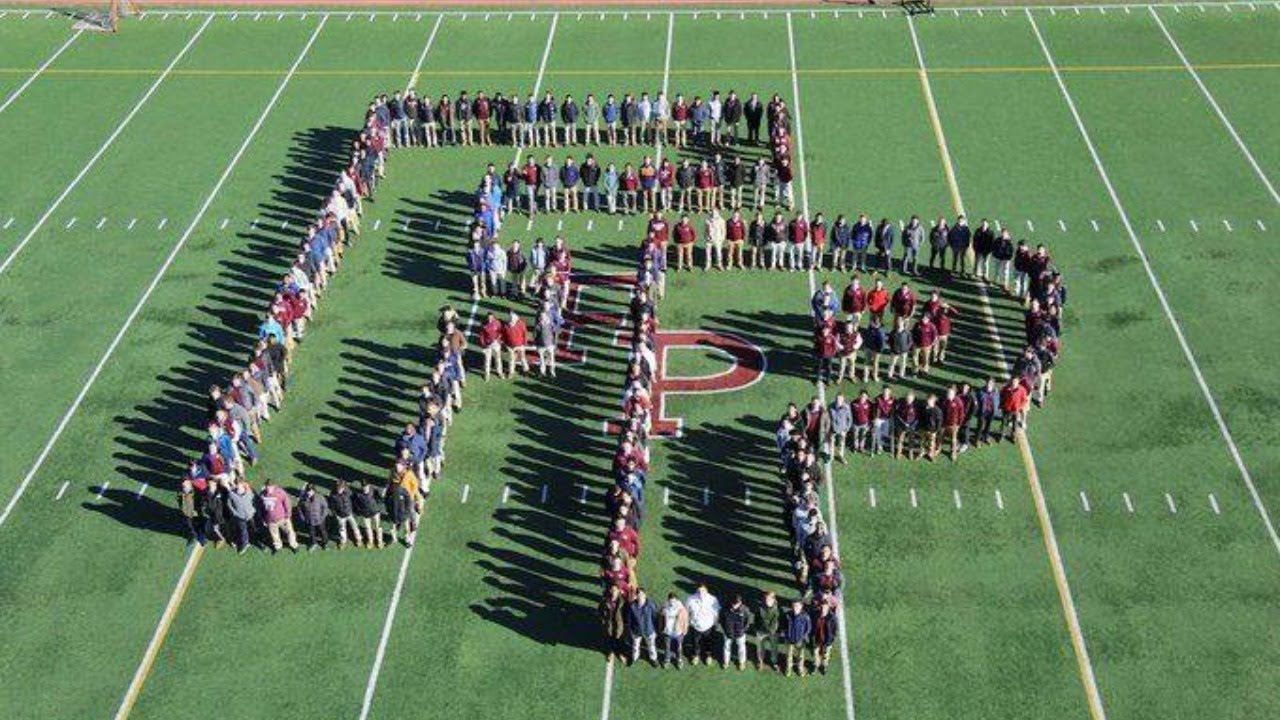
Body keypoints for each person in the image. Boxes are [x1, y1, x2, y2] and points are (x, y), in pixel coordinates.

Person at [260, 478, 299, 553]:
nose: (268, 489)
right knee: (274, 535)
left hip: (283, 518)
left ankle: (294, 545)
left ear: (274, 486)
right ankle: (278, 546)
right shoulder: (263, 494)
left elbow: (287, 504)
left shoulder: (280, 493)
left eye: (270, 487)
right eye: (267, 487)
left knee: (290, 532)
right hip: (270, 520)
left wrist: (288, 515)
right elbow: (261, 507)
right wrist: (264, 518)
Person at [686, 584, 721, 665]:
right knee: (695, 642)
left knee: (708, 642)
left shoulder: (713, 599)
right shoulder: (690, 599)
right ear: (697, 591)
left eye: (703, 591)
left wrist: (715, 623)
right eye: (699, 591)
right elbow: (687, 611)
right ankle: (696, 655)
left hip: (709, 626)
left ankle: (709, 655)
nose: (701, 593)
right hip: (695, 626)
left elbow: (716, 613)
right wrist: (689, 622)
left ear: (706, 591)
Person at [626, 588, 660, 666]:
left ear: (645, 595)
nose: (640, 596)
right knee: (635, 646)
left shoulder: (651, 604)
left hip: (649, 630)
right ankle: (634, 658)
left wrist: (655, 630)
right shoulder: (632, 606)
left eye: (641, 594)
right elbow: (630, 620)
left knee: (651, 646)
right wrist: (631, 630)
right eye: (638, 594)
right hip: (637, 631)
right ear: (636, 596)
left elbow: (655, 617)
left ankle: (653, 659)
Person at [783, 598, 812, 676]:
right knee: (789, 655)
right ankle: (788, 668)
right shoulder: (787, 615)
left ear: (801, 606)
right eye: (793, 606)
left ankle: (800, 668)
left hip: (800, 640)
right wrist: (786, 635)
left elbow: (808, 628)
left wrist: (803, 636)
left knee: (800, 656)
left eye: (797, 606)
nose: (795, 608)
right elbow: (784, 626)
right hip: (789, 640)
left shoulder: (805, 617)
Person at [329, 479, 362, 548]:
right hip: (340, 515)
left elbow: (354, 501)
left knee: (355, 527)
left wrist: (355, 510)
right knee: (342, 529)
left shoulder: (349, 492)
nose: (339, 490)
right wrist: (335, 514)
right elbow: (331, 505)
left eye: (341, 488)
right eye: (338, 488)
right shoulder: (333, 494)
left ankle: (359, 539)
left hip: (350, 513)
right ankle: (343, 541)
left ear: (343, 488)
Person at [721, 594, 751, 670]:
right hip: (728, 633)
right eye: (733, 604)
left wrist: (743, 630)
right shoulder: (725, 608)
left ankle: (742, 662)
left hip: (740, 633)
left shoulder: (745, 609)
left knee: (741, 648)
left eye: (736, 604)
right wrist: (725, 630)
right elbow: (721, 620)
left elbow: (748, 621)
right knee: (726, 647)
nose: (734, 606)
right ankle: (726, 662)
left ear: (740, 602)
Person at [227, 479, 256, 554]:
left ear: (244, 487)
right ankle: (245, 544)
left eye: (241, 488)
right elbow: (229, 504)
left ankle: (256, 540)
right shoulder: (231, 494)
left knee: (253, 528)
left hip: (251, 515)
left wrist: (253, 509)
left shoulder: (249, 493)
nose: (239, 490)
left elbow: (254, 500)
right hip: (240, 517)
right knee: (243, 531)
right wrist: (234, 512)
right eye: (238, 488)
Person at [599, 584, 628, 661]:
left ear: (618, 591)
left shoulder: (623, 601)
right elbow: (600, 610)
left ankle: (620, 653)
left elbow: (626, 612)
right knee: (609, 638)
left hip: (619, 623)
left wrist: (625, 622)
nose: (613, 592)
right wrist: (603, 620)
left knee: (619, 638)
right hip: (609, 623)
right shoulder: (605, 601)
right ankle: (610, 653)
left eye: (615, 590)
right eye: (612, 590)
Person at [754, 591, 781, 670]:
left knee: (773, 647)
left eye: (769, 599)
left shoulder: (777, 609)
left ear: (773, 600)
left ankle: (774, 662)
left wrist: (773, 630)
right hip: (761, 630)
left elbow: (777, 621)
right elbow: (756, 618)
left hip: (773, 631)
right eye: (765, 599)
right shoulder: (760, 608)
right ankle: (760, 661)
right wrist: (757, 628)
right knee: (760, 647)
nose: (766, 601)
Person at [812, 598, 839, 676]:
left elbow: (834, 630)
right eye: (822, 607)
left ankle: (824, 666)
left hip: (827, 640)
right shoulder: (816, 615)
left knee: (825, 655)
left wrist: (831, 640)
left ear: (828, 608)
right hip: (817, 638)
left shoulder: (832, 617)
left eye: (825, 607)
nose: (823, 609)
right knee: (815, 653)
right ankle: (816, 665)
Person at [661, 592, 689, 668]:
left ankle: (679, 659)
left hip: (678, 632)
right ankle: (667, 659)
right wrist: (661, 628)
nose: (672, 603)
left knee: (679, 647)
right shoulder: (665, 607)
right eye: (670, 601)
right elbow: (661, 618)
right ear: (668, 600)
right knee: (667, 647)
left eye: (673, 601)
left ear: (677, 600)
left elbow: (686, 620)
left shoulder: (681, 609)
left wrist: (685, 629)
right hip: (667, 632)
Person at [300, 482, 330, 550]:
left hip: (320, 519)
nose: (308, 493)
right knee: (311, 533)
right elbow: (300, 508)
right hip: (309, 520)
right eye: (307, 491)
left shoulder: (320, 497)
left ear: (313, 490)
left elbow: (325, 507)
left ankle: (325, 543)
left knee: (323, 532)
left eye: (310, 491)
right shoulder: (303, 498)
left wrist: (323, 517)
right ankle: (313, 543)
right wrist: (303, 517)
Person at [1000, 376, 1029, 441]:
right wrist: (1002, 405)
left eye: (1015, 381)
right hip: (1006, 409)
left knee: (1014, 424)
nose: (1014, 383)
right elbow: (1001, 395)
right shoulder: (1006, 388)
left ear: (1018, 382)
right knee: (1003, 422)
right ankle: (1002, 434)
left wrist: (1019, 407)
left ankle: (1013, 436)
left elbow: (1024, 400)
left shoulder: (1022, 390)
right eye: (1012, 381)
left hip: (1015, 410)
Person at [177, 479, 205, 545]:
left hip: (195, 506)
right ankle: (194, 535)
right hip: (189, 507)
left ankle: (200, 533)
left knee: (198, 518)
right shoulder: (183, 493)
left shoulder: (195, 489)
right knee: (189, 520)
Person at [503, 310, 530, 376]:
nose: (512, 320)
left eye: (513, 318)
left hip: (520, 345)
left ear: (516, 318)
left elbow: (525, 334)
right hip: (510, 346)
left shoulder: (521, 324)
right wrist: (506, 344)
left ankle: (526, 370)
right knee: (511, 359)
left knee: (522, 358)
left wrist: (524, 343)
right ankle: (511, 372)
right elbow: (504, 336)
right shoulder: (506, 326)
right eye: (511, 318)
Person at [828, 391, 852, 463]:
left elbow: (849, 419)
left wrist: (846, 429)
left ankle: (840, 456)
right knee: (832, 443)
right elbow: (828, 418)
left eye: (840, 399)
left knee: (841, 444)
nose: (839, 401)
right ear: (835, 399)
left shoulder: (846, 407)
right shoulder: (830, 406)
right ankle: (831, 456)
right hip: (833, 429)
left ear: (843, 399)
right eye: (837, 399)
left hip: (843, 429)